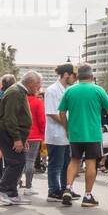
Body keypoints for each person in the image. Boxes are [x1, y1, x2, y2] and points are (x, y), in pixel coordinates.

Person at [57, 63, 108, 207]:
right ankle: (88, 196)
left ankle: (68, 188)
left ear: (78, 76)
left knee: (74, 161)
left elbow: (61, 112)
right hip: (92, 134)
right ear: (91, 75)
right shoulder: (98, 90)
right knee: (90, 163)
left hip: (74, 133)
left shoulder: (69, 91)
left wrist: (67, 128)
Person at [0, 72, 40, 206]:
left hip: (12, 133)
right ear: (30, 83)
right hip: (7, 133)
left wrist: (22, 139)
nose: (39, 88)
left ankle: (12, 193)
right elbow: (10, 118)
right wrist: (17, 139)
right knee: (16, 162)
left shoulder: (19, 91)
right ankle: (1, 190)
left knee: (17, 162)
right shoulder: (15, 92)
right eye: (37, 85)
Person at [44, 63, 76, 203]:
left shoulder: (66, 90)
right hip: (56, 134)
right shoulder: (52, 90)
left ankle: (65, 189)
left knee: (66, 164)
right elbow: (52, 113)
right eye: (73, 75)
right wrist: (67, 126)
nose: (74, 79)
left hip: (65, 135)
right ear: (66, 75)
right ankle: (53, 191)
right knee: (55, 165)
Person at [23, 80, 46, 195]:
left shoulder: (21, 101)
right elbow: (42, 120)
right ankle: (28, 186)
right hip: (35, 135)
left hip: (21, 135)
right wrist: (43, 134)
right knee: (30, 161)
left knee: (20, 161)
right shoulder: (38, 102)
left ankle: (18, 183)